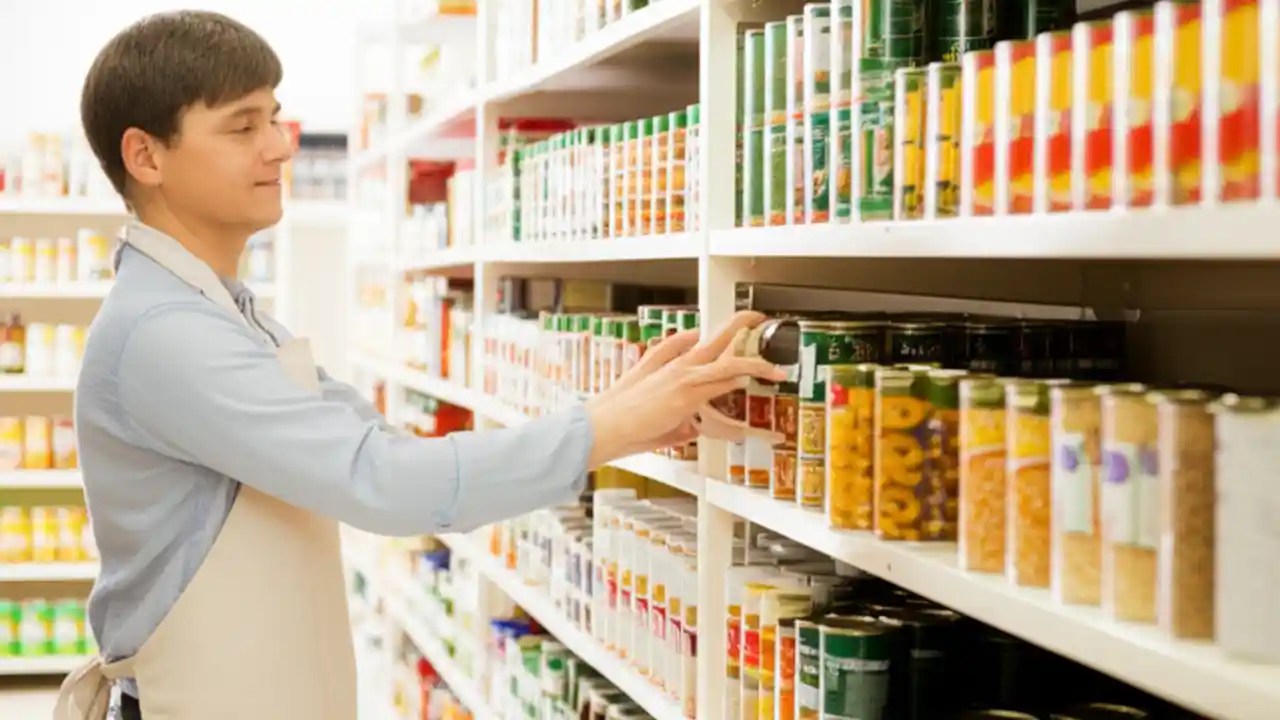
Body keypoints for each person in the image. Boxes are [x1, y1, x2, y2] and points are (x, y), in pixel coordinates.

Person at [53, 10, 782, 720]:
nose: (279, 145)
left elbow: (389, 453)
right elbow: (387, 483)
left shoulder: (222, 313)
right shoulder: (166, 333)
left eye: (276, 116)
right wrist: (603, 428)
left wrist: (616, 408)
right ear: (146, 156)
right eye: (243, 127)